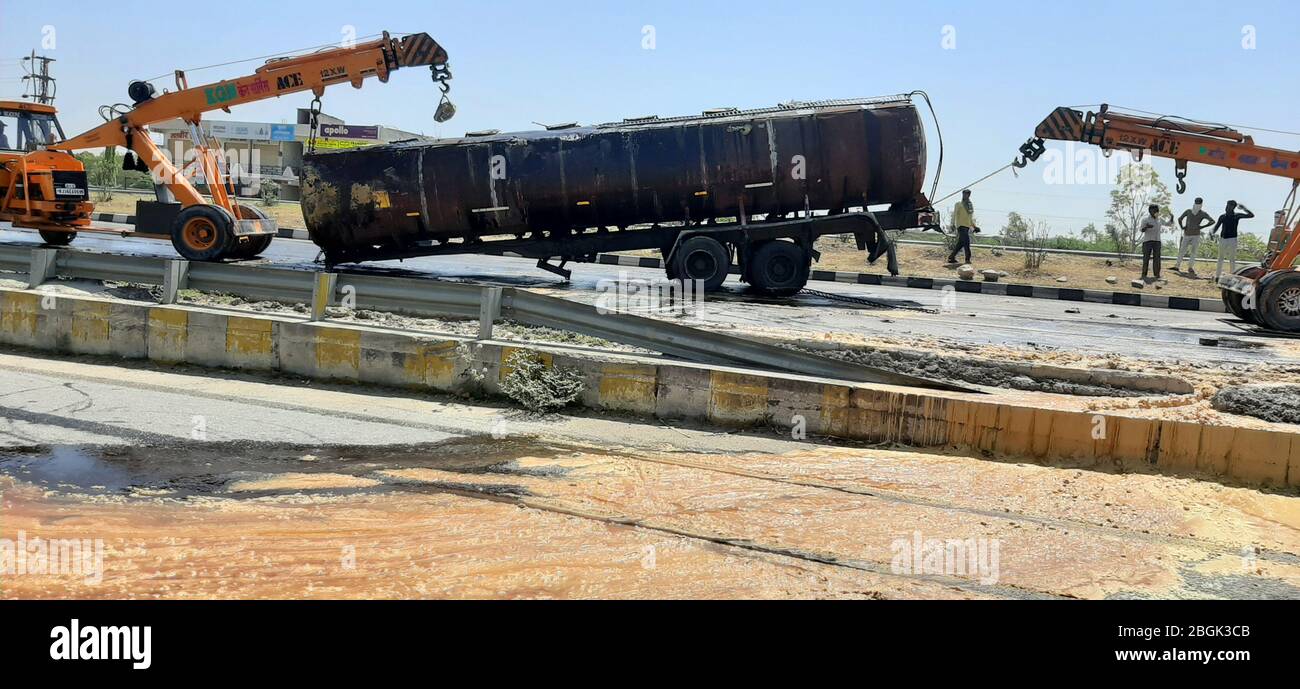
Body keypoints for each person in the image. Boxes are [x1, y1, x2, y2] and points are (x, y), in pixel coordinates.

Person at [1211, 200, 1254, 280]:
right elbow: (1217, 226)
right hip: (1223, 239)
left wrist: (1244, 208)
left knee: (1232, 259)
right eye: (1226, 206)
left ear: (1233, 207)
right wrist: (1212, 233)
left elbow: (1251, 215)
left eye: (1229, 206)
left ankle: (1232, 276)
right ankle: (1217, 276)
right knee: (1220, 258)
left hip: (1232, 239)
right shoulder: (1222, 216)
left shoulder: (1236, 216)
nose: (1227, 208)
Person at [1175, 197, 1214, 276]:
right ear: (1194, 203)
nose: (1197, 205)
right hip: (1187, 233)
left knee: (1193, 251)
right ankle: (1177, 265)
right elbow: (1180, 219)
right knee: (1182, 250)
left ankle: (1190, 267)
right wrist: (1182, 226)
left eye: (1199, 203)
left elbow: (1212, 221)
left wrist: (1201, 227)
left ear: (1201, 204)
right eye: (1196, 203)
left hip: (1196, 234)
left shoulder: (1203, 213)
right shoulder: (1188, 211)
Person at [1138, 204, 1171, 282]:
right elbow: (1141, 229)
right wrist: (1147, 227)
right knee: (1146, 258)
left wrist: (1171, 218)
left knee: (1157, 258)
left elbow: (1168, 224)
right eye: (1155, 210)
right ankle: (1144, 274)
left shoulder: (1159, 219)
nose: (1157, 212)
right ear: (1150, 211)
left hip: (1157, 241)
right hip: (1147, 241)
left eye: (1157, 210)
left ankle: (1157, 275)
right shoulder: (1145, 219)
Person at [947, 189, 979, 265]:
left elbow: (970, 218)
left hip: (967, 226)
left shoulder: (970, 206)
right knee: (967, 242)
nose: (965, 195)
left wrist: (974, 227)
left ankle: (951, 257)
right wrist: (952, 225)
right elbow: (954, 215)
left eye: (967, 194)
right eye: (964, 194)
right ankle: (967, 259)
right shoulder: (958, 204)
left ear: (969, 195)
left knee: (961, 243)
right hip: (961, 226)